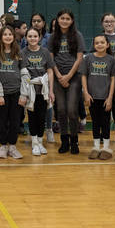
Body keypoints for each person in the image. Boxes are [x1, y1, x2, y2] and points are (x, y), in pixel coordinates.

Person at [48, 9, 85, 154]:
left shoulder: (78, 36)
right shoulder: (52, 37)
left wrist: (68, 76)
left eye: (67, 18)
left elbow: (80, 58)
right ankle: (64, 140)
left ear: (72, 21)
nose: (64, 21)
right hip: (58, 77)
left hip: (74, 77)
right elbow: (50, 58)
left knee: (71, 110)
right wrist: (59, 76)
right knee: (61, 110)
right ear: (57, 20)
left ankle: (74, 141)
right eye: (62, 18)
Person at [82, 35, 115, 160]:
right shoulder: (88, 58)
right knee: (95, 122)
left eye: (102, 42)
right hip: (92, 96)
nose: (99, 45)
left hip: (106, 97)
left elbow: (113, 79)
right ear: (94, 44)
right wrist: (86, 93)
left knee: (105, 122)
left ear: (107, 45)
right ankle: (96, 147)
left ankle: (106, 147)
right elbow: (84, 76)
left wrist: (110, 97)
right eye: (97, 43)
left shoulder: (112, 60)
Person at [21, 27, 56, 156]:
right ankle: (34, 143)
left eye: (35, 36)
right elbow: (22, 74)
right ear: (25, 38)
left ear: (39, 37)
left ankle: (40, 142)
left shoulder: (45, 52)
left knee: (42, 117)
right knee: (32, 117)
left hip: (43, 90)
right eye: (29, 36)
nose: (32, 38)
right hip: (30, 89)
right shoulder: (22, 53)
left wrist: (51, 90)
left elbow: (50, 71)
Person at [0, 25, 26, 159]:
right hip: (2, 93)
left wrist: (23, 94)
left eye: (10, 34)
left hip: (17, 92)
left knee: (15, 120)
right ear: (1, 37)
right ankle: (3, 146)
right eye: (5, 34)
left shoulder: (19, 53)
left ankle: (12, 146)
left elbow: (24, 74)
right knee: (2, 120)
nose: (7, 37)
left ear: (14, 37)